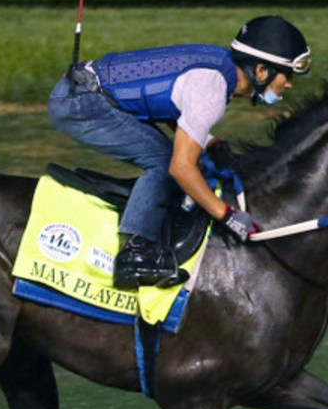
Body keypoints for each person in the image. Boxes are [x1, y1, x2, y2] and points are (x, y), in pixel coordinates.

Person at [48, 15, 311, 289]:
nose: (289, 84)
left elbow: (173, 102)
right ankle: (135, 254)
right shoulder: (213, 90)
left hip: (87, 91)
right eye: (287, 75)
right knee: (164, 163)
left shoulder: (219, 67)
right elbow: (181, 168)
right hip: (81, 103)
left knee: (173, 158)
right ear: (261, 71)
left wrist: (209, 142)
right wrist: (227, 215)